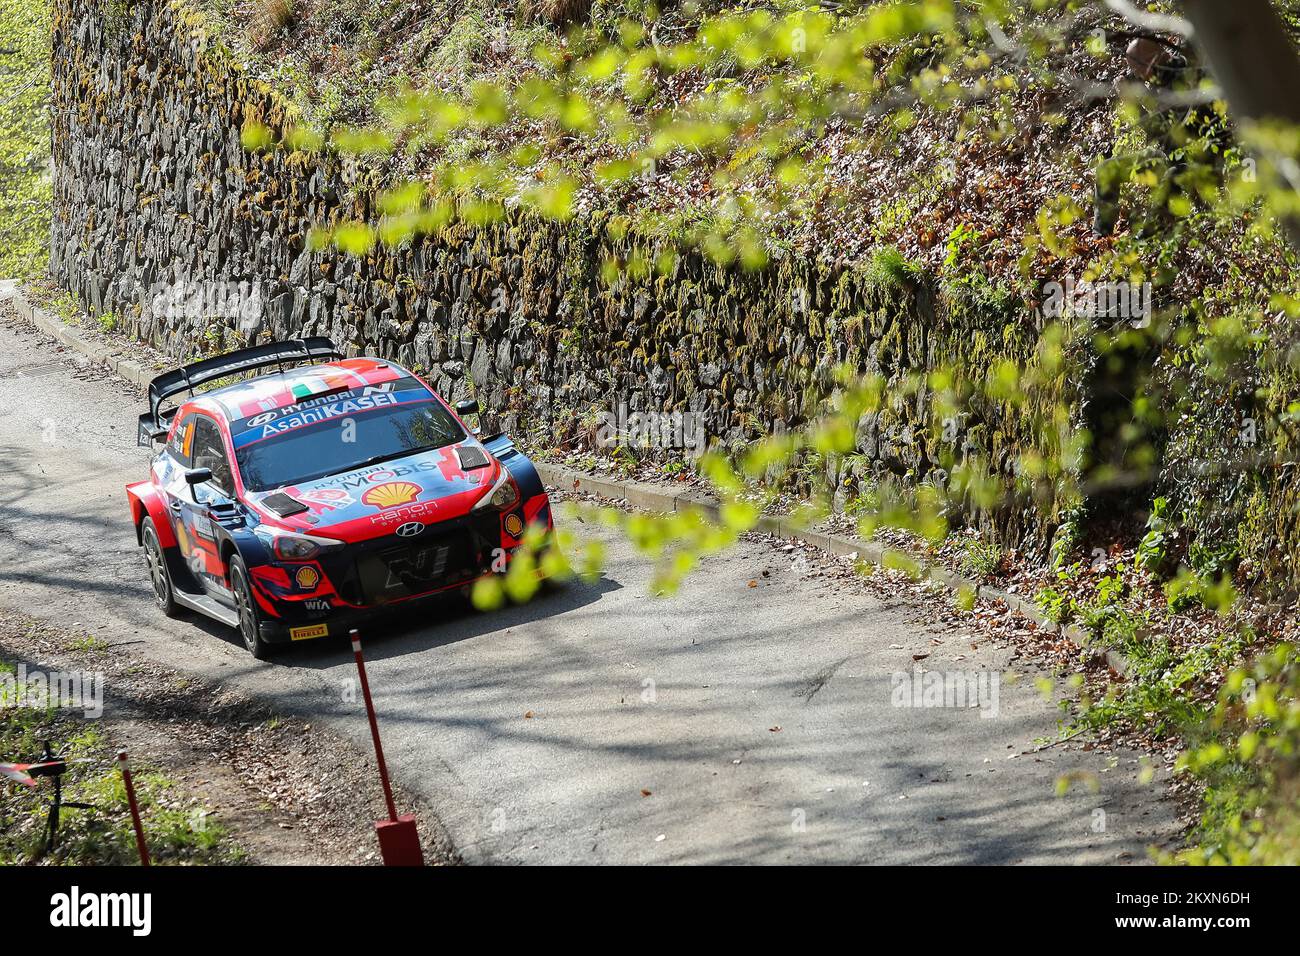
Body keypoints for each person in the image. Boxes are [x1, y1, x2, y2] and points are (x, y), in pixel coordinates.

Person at [1093, 37, 1229, 237]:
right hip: (1171, 155)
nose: (1142, 77)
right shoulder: (1162, 81)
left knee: (1172, 175)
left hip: (1199, 157)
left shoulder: (1185, 80)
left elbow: (1167, 138)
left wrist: (1134, 105)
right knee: (1107, 170)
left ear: (1150, 65)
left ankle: (1147, 240)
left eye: (1140, 72)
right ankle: (1100, 238)